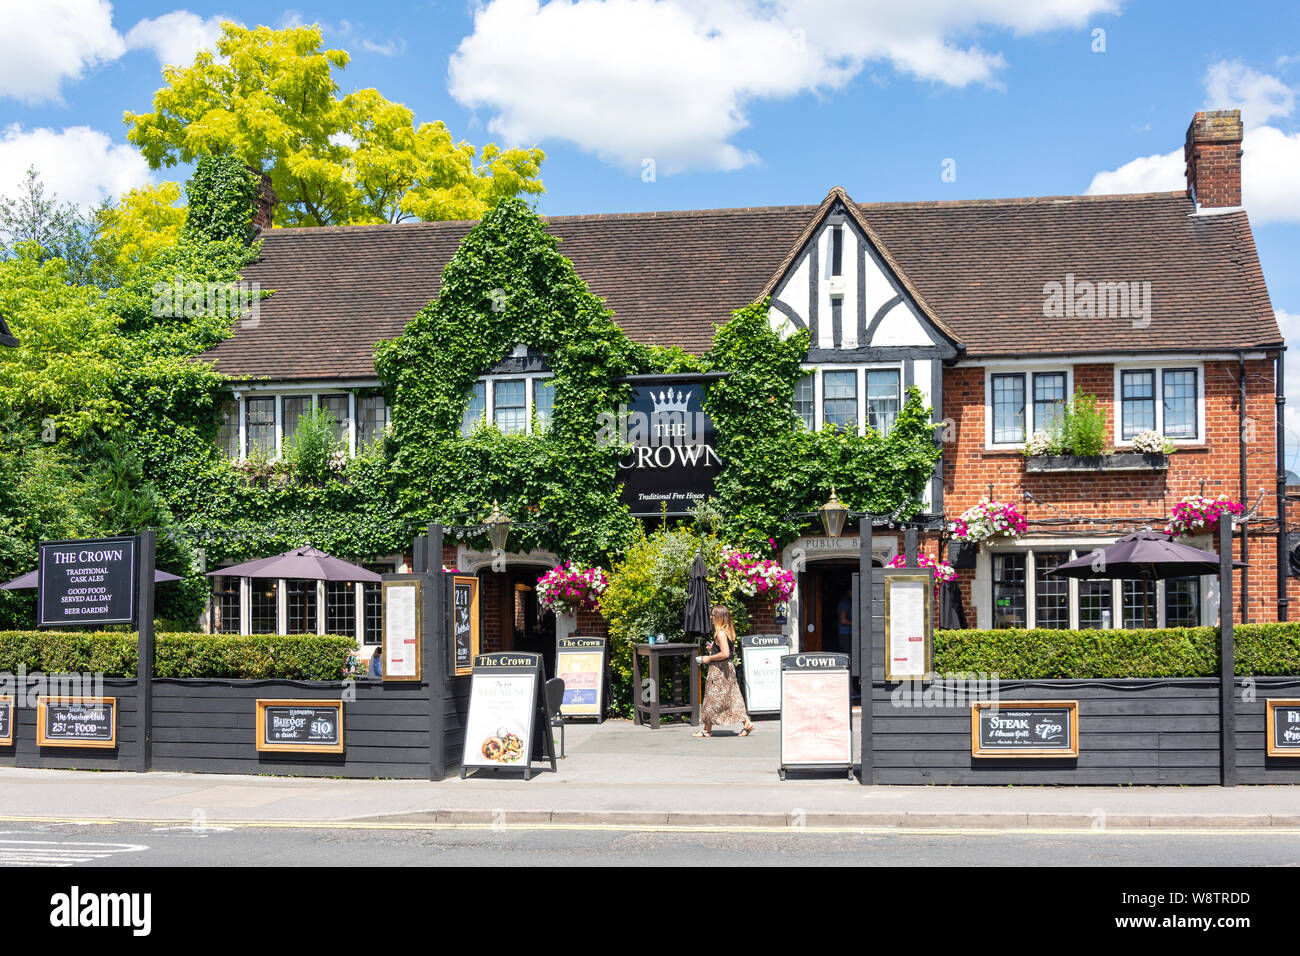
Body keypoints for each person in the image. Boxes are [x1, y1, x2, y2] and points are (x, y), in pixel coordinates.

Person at [693, 605, 755, 738]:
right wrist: (713, 649)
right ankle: (747, 723)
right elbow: (730, 652)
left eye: (713, 615)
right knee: (732, 698)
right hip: (728, 668)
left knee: (711, 699)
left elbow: (725, 653)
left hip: (719, 670)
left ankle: (706, 730)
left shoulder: (720, 633)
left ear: (719, 617)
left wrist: (708, 657)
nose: (711, 617)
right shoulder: (729, 631)